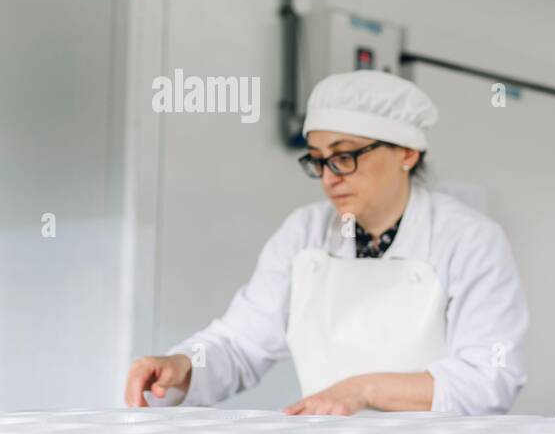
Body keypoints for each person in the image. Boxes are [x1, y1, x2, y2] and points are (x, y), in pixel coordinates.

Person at [125, 70, 527, 415]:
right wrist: (183, 365)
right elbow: (240, 342)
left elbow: (490, 377)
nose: (329, 176)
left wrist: (364, 390)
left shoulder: (469, 240)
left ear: (406, 152)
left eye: (345, 155)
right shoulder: (304, 233)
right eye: (317, 159)